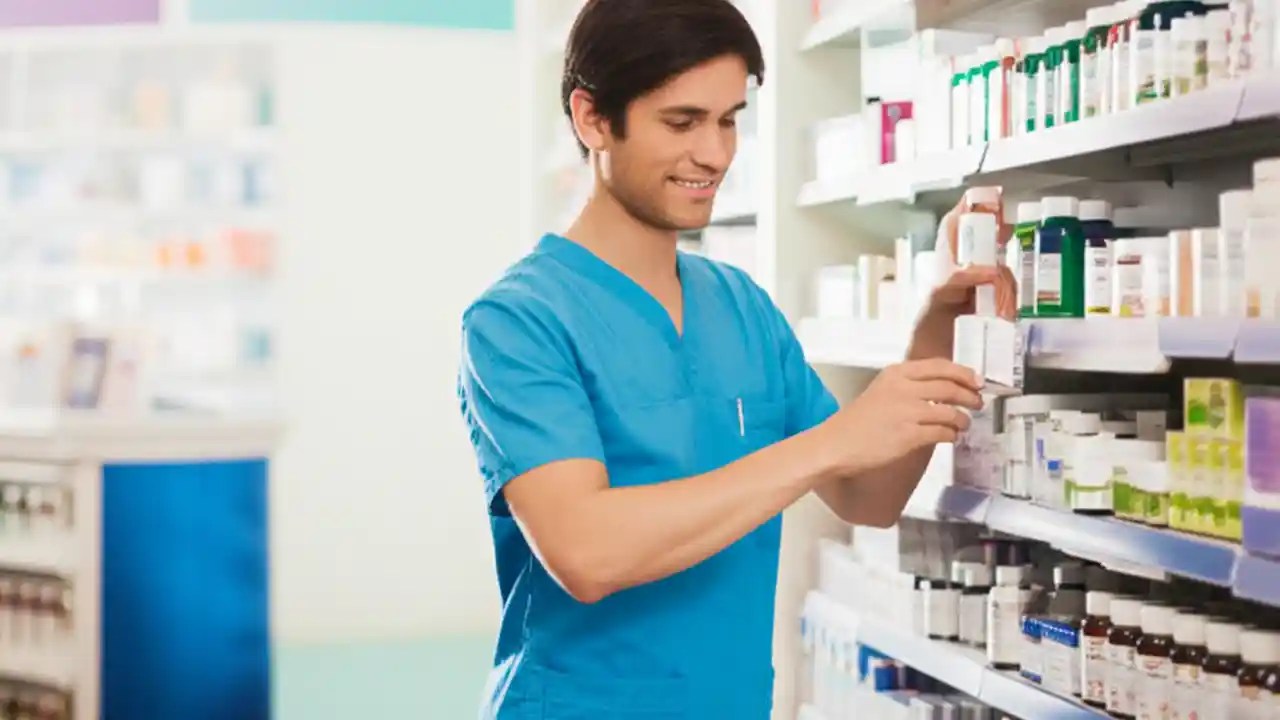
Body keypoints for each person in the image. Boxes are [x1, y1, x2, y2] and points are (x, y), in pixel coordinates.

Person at [457, 0, 1013, 717]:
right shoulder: (518, 320)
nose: (715, 154)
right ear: (593, 118)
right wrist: (828, 443)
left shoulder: (741, 306)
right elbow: (587, 553)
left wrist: (940, 320)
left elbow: (866, 497)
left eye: (729, 120)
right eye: (682, 122)